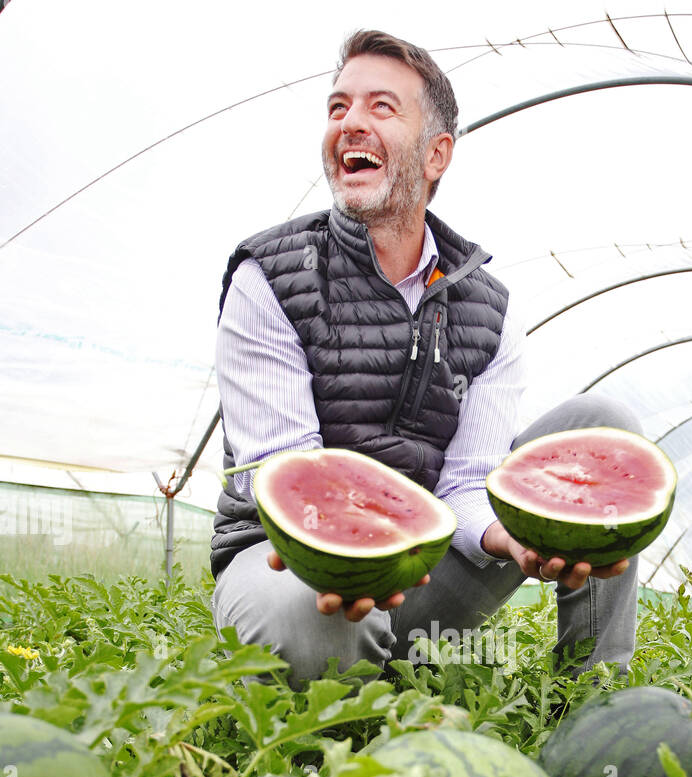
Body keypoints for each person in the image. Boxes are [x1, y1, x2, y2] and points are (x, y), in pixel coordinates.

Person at [210, 28, 645, 688]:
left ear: (436, 153)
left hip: (427, 563)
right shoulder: (269, 276)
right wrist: (348, 554)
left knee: (602, 422)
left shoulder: (488, 309)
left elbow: (468, 485)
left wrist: (508, 539)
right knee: (308, 616)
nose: (350, 122)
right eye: (337, 108)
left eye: (380, 107)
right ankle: (349, 689)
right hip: (284, 564)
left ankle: (597, 699)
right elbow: (289, 476)